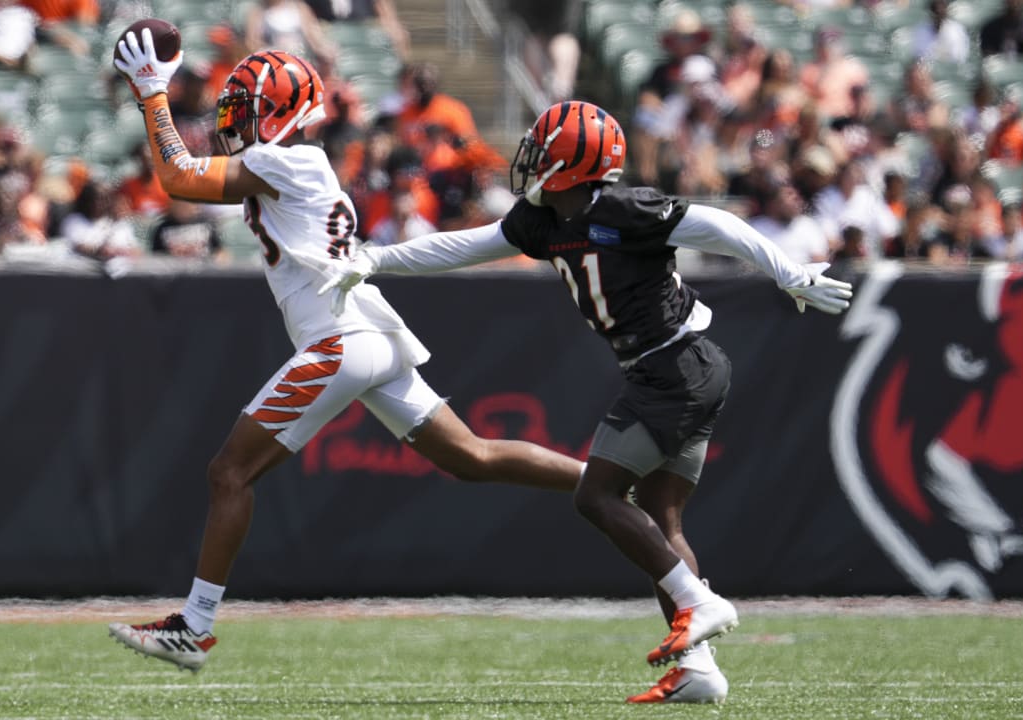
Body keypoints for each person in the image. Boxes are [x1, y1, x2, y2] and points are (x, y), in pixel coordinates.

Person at [319, 101, 853, 704]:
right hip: (678, 368)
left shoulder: (625, 210)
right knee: (660, 516)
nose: (532, 161)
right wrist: (375, 259)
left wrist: (788, 273)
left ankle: (698, 602)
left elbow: (722, 228)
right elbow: (462, 247)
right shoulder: (545, 220)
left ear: (574, 163)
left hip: (677, 369)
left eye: (545, 150)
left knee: (596, 495)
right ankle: (699, 669)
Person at [108, 35, 584, 671]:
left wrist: (150, 90)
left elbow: (175, 177)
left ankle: (193, 626)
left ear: (278, 110)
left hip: (341, 340)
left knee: (229, 474)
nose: (234, 119)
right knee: (471, 455)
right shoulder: (294, 164)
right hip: (366, 330)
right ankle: (606, 481)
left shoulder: (288, 162)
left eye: (245, 107)